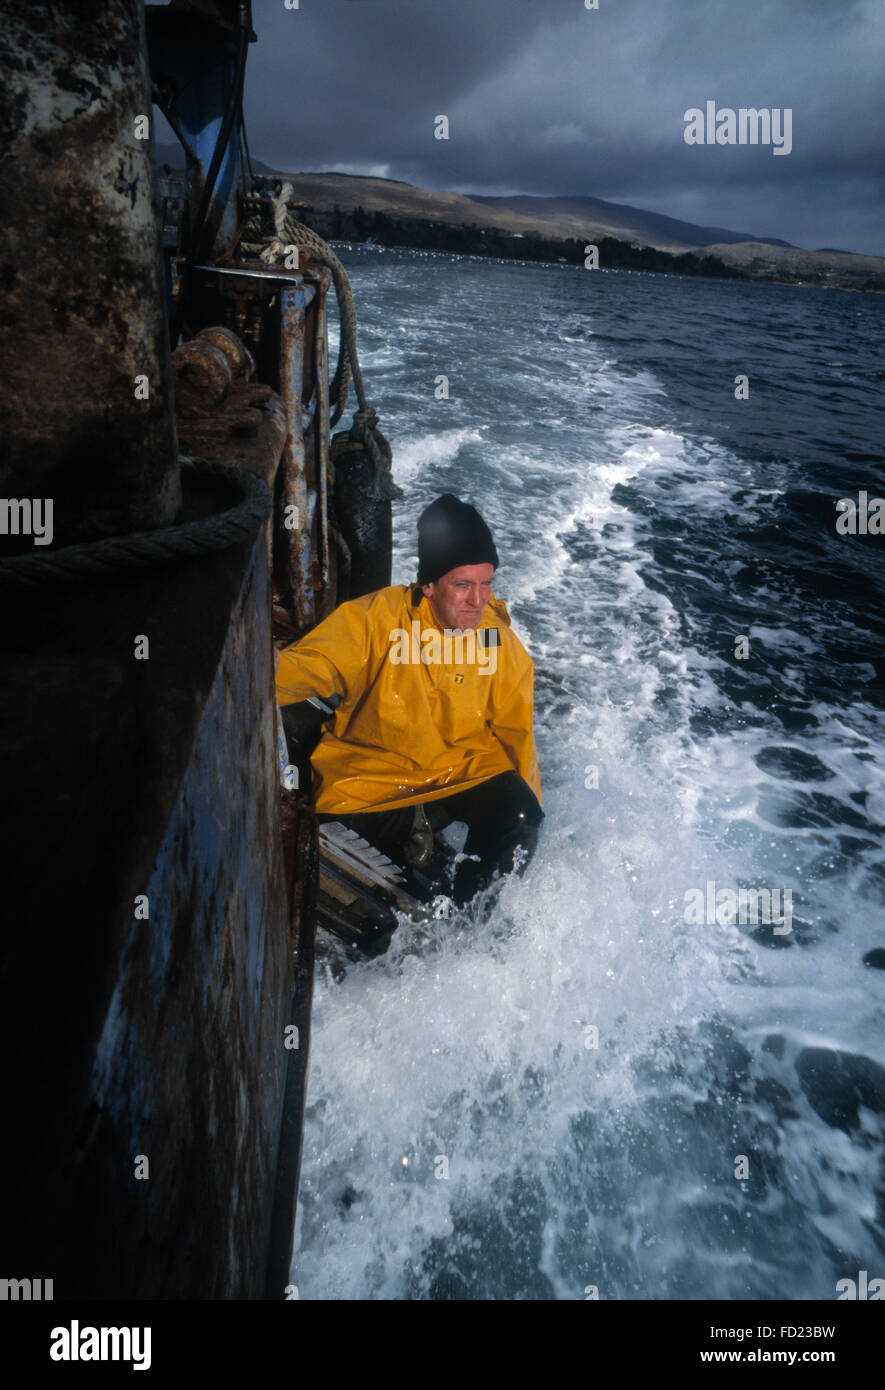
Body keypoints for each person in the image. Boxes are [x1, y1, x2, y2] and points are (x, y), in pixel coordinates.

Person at [275, 494, 543, 906]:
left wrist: (527, 821)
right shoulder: (374, 621)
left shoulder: (497, 640)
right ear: (429, 584)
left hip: (458, 773)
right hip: (375, 780)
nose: (478, 600)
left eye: (486, 583)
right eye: (463, 585)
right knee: (424, 880)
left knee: (520, 817)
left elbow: (517, 736)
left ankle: (479, 937)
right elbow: (300, 670)